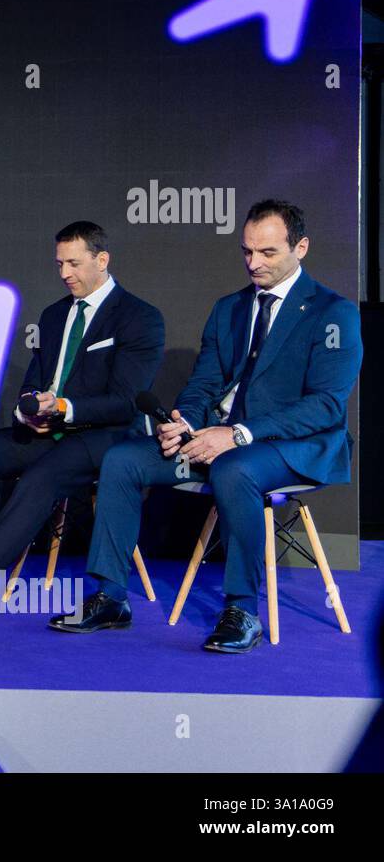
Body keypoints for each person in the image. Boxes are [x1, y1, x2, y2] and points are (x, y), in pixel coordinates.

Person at [49, 200, 362, 653]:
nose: (254, 263)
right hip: (216, 439)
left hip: (293, 446)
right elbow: (204, 383)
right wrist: (186, 422)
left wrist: (237, 434)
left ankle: (242, 611)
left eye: (268, 253)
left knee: (234, 468)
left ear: (302, 247)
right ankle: (111, 597)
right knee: (122, 459)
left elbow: (326, 407)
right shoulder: (229, 308)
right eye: (247, 252)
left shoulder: (333, 312)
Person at [0, 221, 165, 620]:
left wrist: (63, 409)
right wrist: (28, 409)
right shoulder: (54, 314)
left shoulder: (139, 317)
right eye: (59, 264)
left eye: (74, 264)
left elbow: (126, 402)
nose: (64, 274)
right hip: (48, 429)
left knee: (43, 476)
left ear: (102, 259)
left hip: (103, 436)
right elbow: (34, 383)